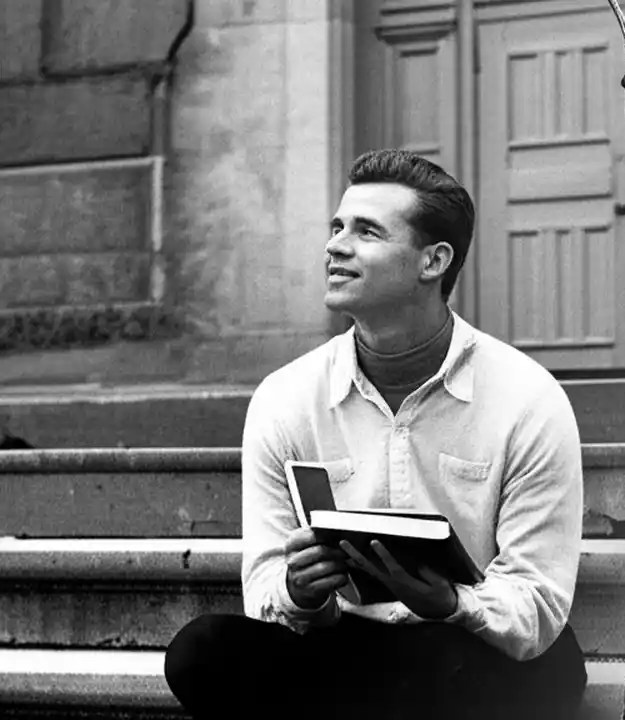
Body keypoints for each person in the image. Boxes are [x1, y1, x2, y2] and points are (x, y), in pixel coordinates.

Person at [164, 149, 587, 719]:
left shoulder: (527, 400)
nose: (335, 246)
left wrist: (452, 603)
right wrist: (301, 593)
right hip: (350, 649)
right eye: (337, 227)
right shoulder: (285, 399)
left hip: (466, 650)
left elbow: (537, 604)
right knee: (202, 651)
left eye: (366, 231)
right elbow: (264, 585)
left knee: (527, 668)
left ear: (433, 261)